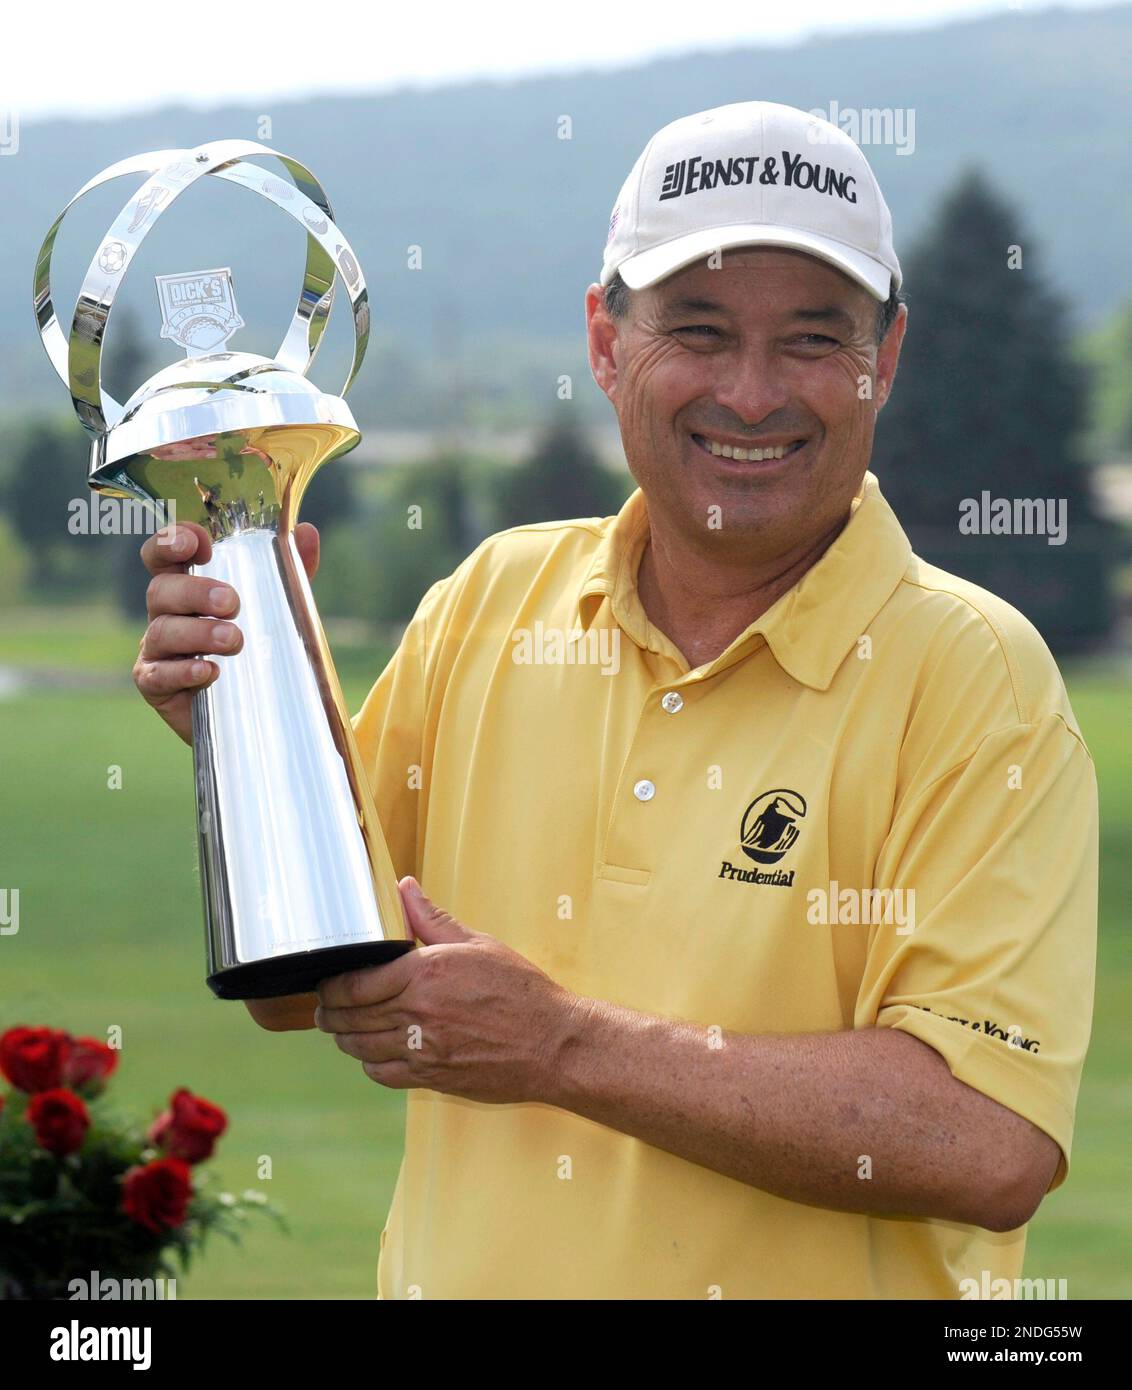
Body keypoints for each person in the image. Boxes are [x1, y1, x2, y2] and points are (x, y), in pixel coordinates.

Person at [132, 101, 1097, 1299]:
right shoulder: (489, 597)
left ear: (884, 359)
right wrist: (250, 729)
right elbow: (304, 987)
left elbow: (988, 1140)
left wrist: (563, 1046)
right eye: (697, 329)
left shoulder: (976, 678)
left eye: (811, 339)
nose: (751, 395)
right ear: (603, 339)